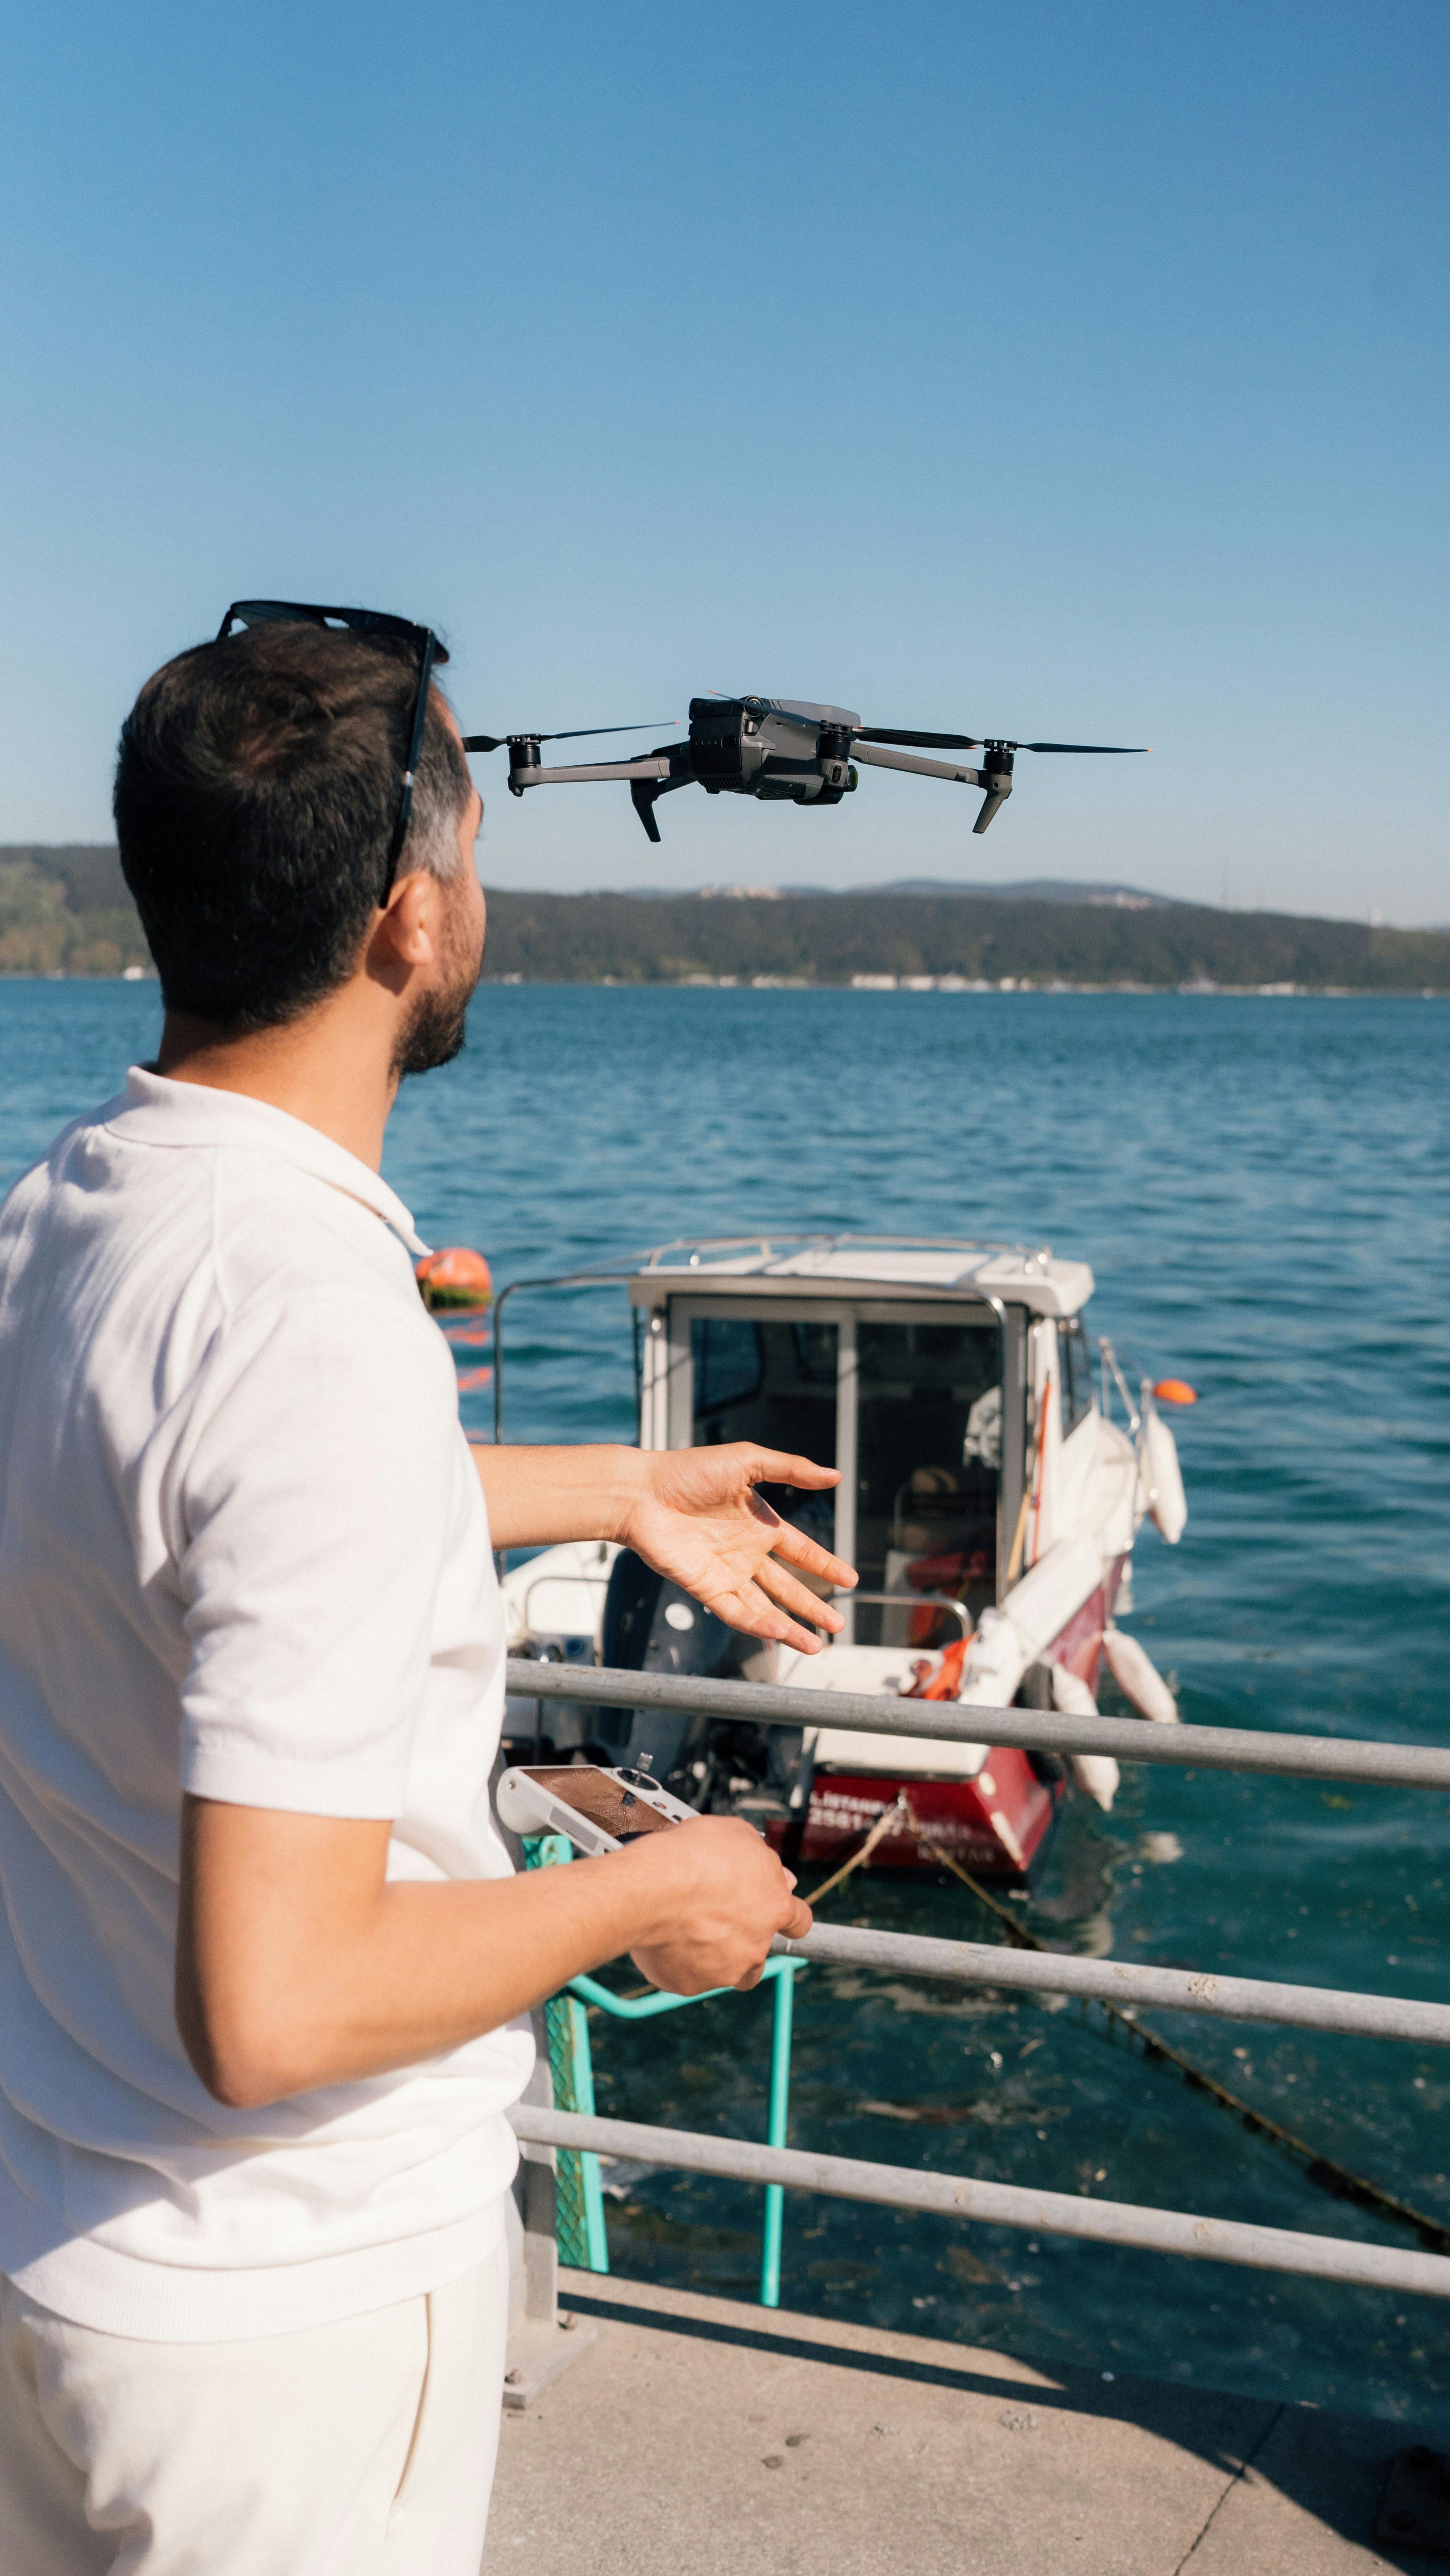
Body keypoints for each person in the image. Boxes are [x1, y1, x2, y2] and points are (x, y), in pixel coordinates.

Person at [0, 605, 855, 2574]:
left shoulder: (79, 1205)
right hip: (276, 2318)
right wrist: (657, 1890)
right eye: (468, 848)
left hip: (66, 2244)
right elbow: (277, 2003)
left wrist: (618, 1478)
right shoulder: (314, 1316)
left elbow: (207, 1514)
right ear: (405, 918)